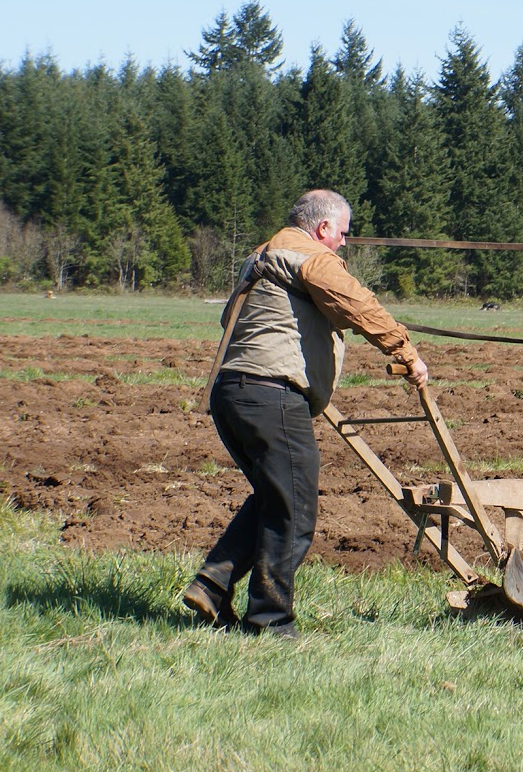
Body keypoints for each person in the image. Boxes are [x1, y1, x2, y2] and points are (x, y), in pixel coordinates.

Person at [180, 189, 429, 636]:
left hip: (231, 393)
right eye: (343, 233)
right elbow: (357, 303)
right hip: (272, 394)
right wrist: (405, 351)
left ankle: (213, 584)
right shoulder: (311, 256)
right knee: (295, 509)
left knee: (276, 499)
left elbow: (228, 319)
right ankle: (270, 622)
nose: (344, 243)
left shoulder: (260, 257)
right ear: (323, 227)